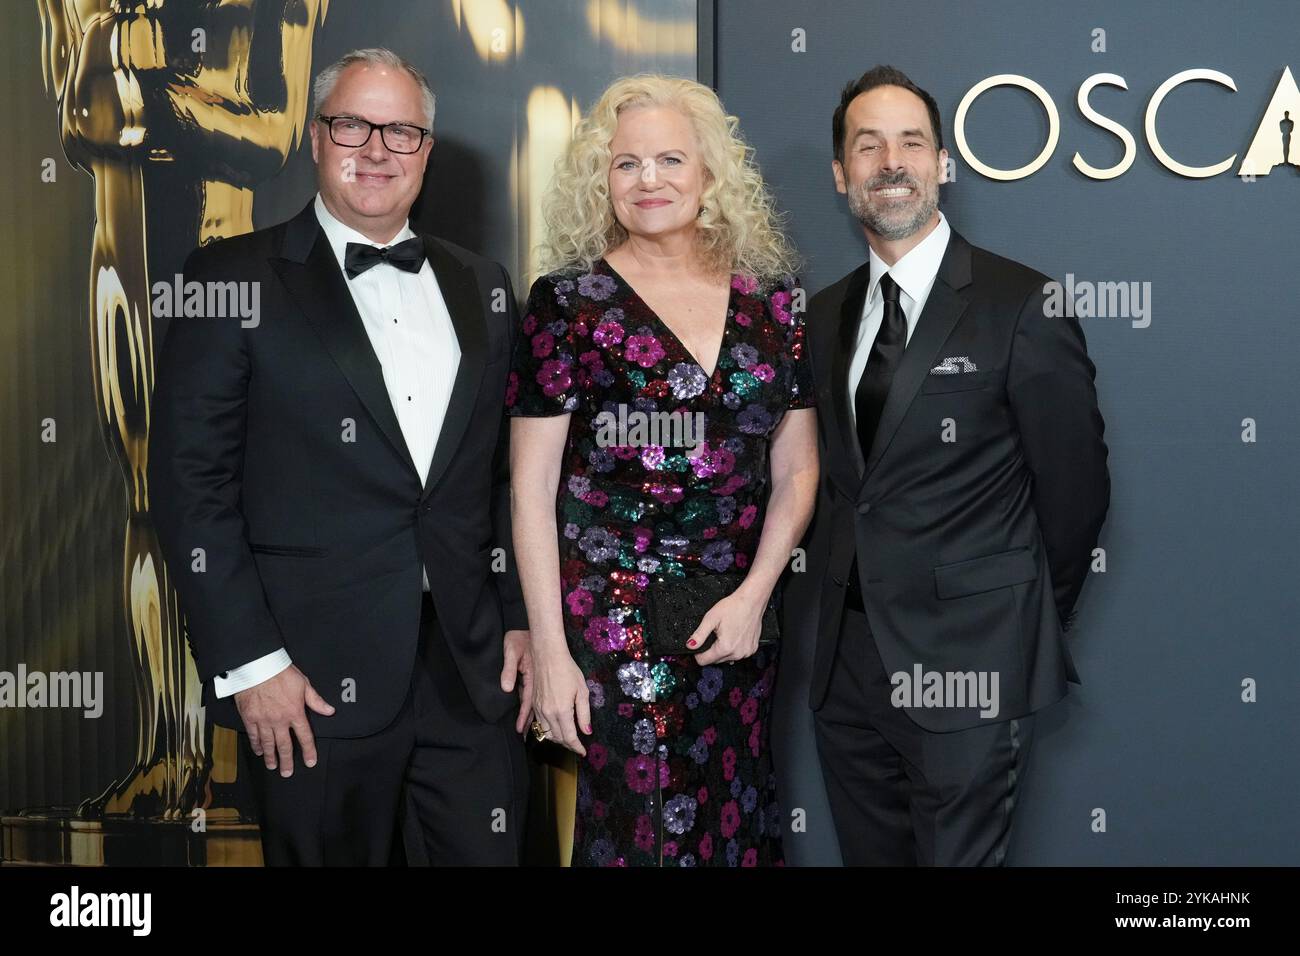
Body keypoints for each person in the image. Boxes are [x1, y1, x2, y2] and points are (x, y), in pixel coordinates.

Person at [149, 47, 532, 865]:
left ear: (427, 150)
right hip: (308, 676)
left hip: (469, 672)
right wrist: (252, 664)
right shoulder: (230, 278)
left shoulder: (483, 284)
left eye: (401, 131)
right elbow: (191, 489)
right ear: (316, 138)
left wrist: (523, 618)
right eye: (353, 123)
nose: (376, 149)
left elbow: (499, 474)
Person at [798, 65, 1109, 866]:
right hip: (848, 668)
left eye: (911, 142)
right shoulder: (823, 312)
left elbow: (1075, 496)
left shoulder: (1023, 304)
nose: (890, 162)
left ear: (943, 164)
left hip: (973, 663)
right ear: (841, 175)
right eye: (868, 146)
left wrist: (1013, 620)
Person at [507, 75, 818, 867]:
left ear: (710, 173)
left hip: (738, 624)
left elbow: (797, 469)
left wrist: (754, 596)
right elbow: (531, 490)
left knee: (733, 821)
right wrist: (550, 652)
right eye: (626, 164)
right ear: (599, 181)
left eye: (671, 158)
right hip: (615, 620)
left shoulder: (776, 302)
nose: (650, 180)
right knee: (644, 833)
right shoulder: (567, 304)